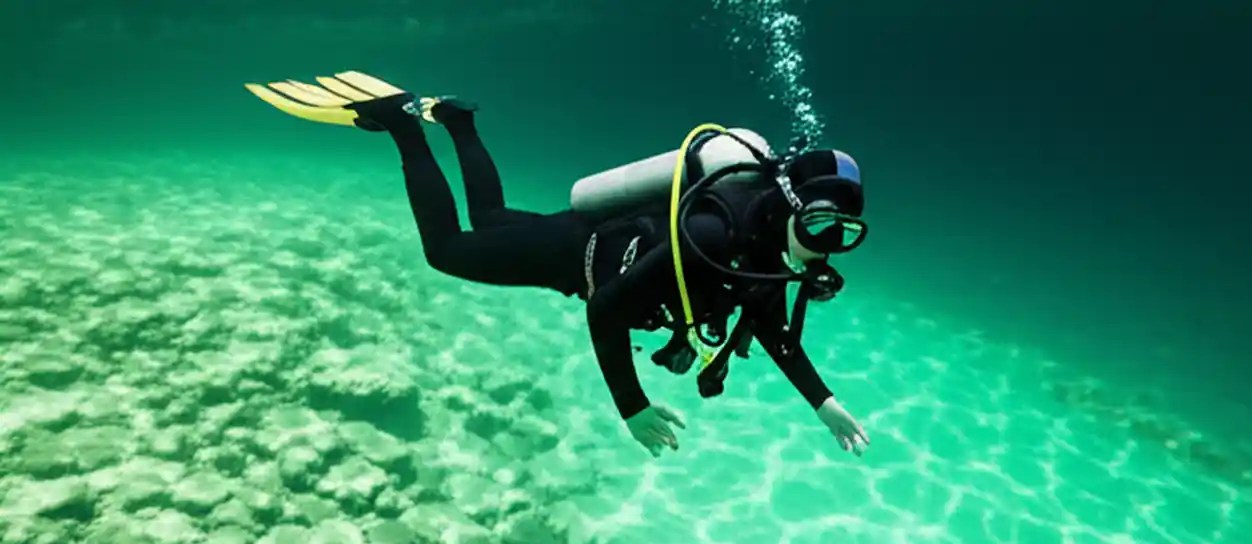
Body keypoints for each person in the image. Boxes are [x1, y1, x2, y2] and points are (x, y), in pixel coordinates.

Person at [245, 70, 872, 459]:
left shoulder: (766, 252)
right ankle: (402, 124)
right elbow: (606, 310)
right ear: (788, 204)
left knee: (490, 218)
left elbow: (773, 330)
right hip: (575, 256)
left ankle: (457, 122)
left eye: (845, 235)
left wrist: (824, 403)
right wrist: (632, 406)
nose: (826, 247)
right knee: (447, 250)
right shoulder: (714, 232)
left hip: (590, 236)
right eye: (819, 225)